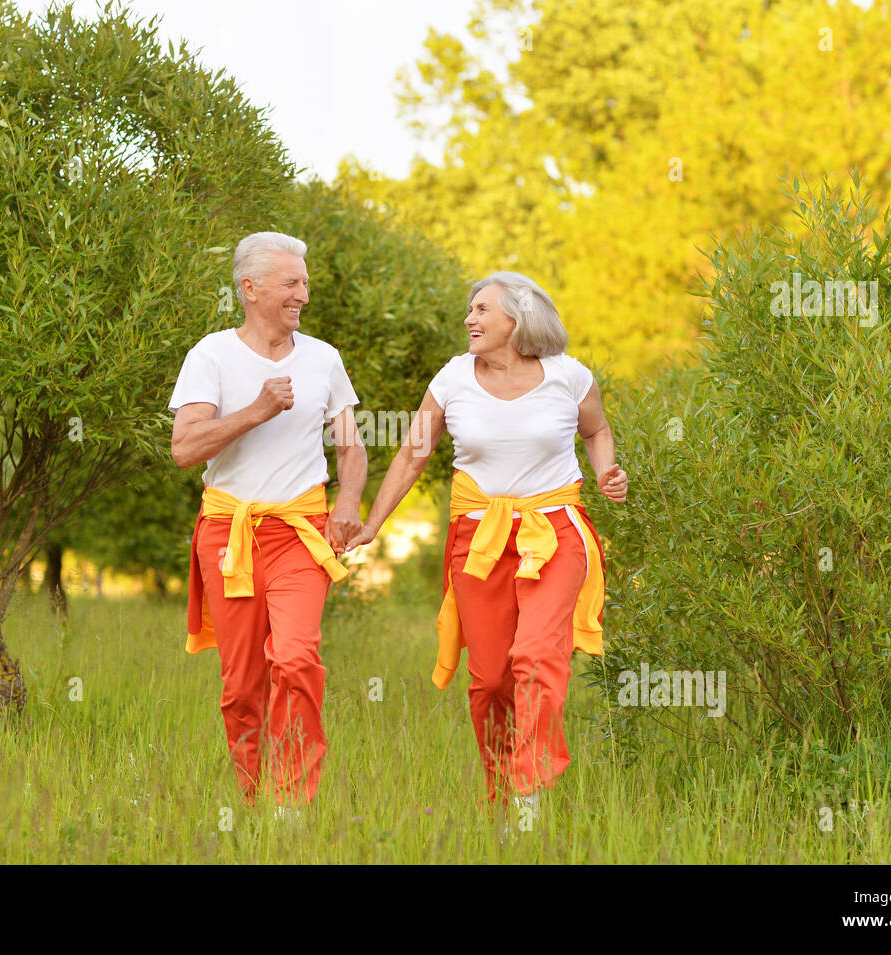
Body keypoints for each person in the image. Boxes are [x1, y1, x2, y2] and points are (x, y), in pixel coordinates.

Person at [345, 272, 627, 812]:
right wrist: (373, 523)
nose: (469, 320)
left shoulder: (568, 376)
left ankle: (530, 791)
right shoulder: (452, 379)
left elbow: (596, 431)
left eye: (481, 310)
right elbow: (412, 455)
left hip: (554, 532)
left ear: (517, 319)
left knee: (538, 655)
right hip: (478, 539)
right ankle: (502, 796)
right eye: (469, 311)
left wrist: (608, 471)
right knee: (492, 677)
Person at [170, 231, 367, 813]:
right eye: (291, 282)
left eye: (304, 282)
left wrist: (350, 500)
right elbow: (184, 448)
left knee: (297, 658)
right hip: (228, 534)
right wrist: (257, 410)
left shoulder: (323, 358)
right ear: (250, 289)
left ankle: (291, 807)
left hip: (300, 533)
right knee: (241, 685)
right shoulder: (211, 355)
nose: (303, 293)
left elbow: (350, 447)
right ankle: (253, 797)